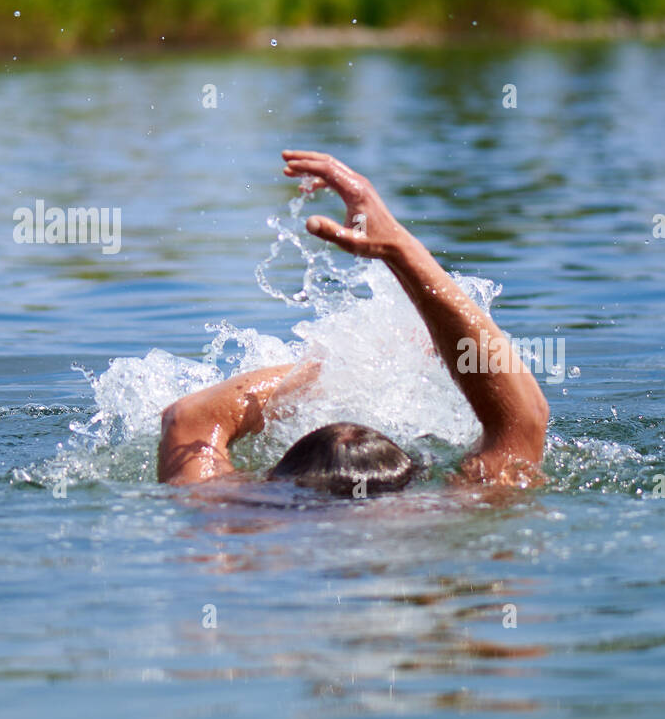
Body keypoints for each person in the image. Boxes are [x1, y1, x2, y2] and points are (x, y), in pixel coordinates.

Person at [156, 150, 550, 495]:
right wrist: (398, 246)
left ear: (270, 480)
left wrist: (323, 373)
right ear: (416, 482)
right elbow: (524, 418)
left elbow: (189, 418)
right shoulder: (447, 512)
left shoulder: (235, 516)